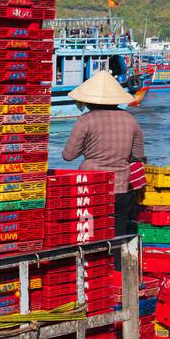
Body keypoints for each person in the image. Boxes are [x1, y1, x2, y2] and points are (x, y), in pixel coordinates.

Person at [60, 70, 145, 237]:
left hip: (92, 187)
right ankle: (116, 262)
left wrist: (90, 148)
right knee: (118, 234)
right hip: (122, 188)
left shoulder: (85, 120)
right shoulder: (130, 120)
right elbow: (138, 156)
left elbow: (68, 155)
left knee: (91, 234)